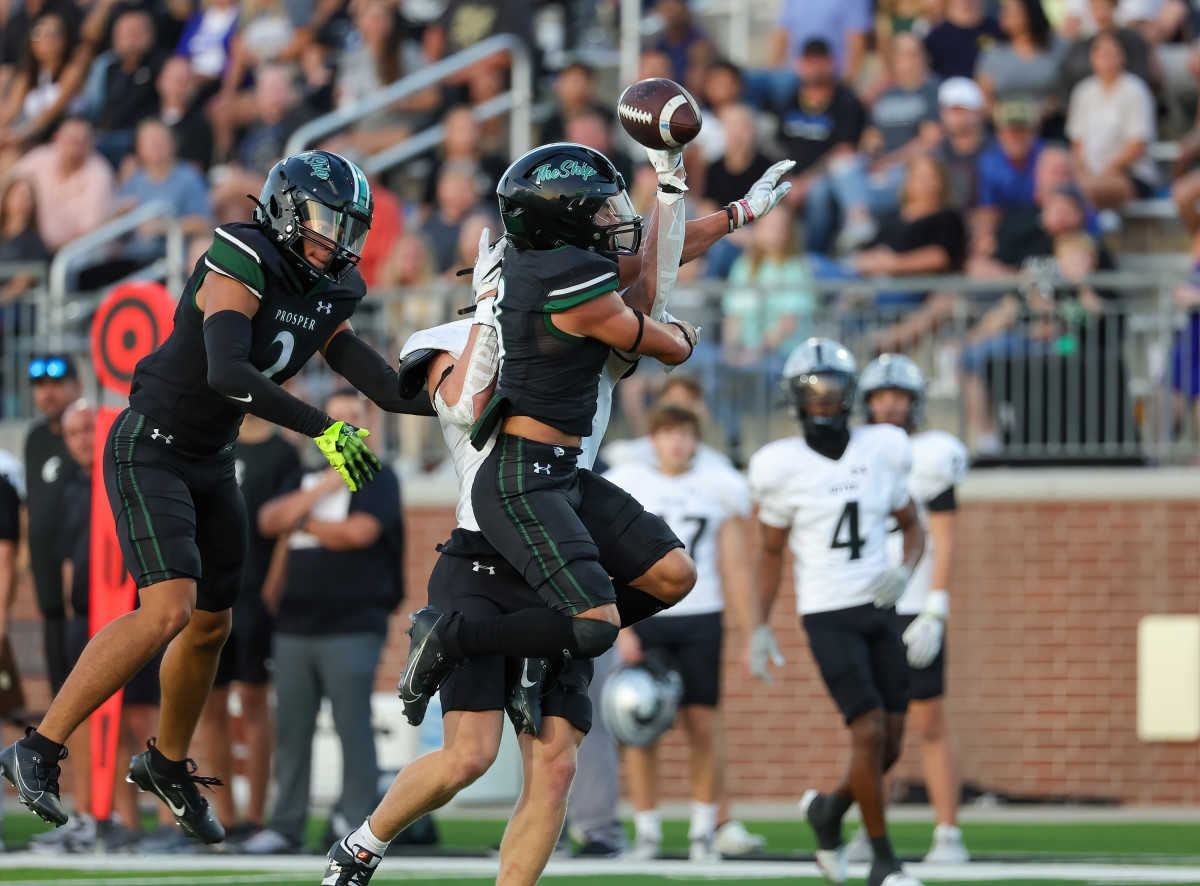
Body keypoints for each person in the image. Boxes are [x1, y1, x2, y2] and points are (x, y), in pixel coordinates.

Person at [325, 144, 797, 886]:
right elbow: (459, 402)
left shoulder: (581, 315)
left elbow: (650, 264)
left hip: (562, 517)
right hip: (486, 550)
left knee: (554, 767)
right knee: (468, 756)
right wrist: (467, 319)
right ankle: (360, 847)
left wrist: (733, 215)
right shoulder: (456, 339)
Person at [0, 149, 434, 842]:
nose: (339, 241)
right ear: (288, 211)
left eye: (350, 227)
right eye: (327, 222)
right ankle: (39, 747)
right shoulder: (242, 252)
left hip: (211, 459)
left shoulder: (330, 291)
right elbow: (229, 371)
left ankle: (167, 763)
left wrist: (473, 393)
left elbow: (385, 386)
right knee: (168, 608)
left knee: (211, 625)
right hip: (150, 444)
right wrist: (324, 430)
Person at [746, 337, 926, 886]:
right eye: (813, 393)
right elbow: (771, 551)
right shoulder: (781, 465)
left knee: (890, 742)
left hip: (880, 606)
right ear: (797, 399)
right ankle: (883, 862)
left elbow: (913, 524)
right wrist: (759, 624)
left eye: (832, 392)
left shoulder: (883, 447)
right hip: (827, 612)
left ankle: (828, 811)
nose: (824, 403)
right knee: (868, 730)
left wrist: (907, 566)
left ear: (850, 395)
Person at [249, 390, 403, 854]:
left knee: (351, 724)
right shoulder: (305, 476)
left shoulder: (377, 476)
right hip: (295, 624)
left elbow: (360, 533)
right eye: (335, 421)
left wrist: (304, 523)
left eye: (354, 419)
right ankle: (287, 824)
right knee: (292, 730)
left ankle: (355, 825)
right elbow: (267, 519)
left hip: (353, 622)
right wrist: (319, 491)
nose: (345, 429)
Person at [605, 404, 758, 861]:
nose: (677, 442)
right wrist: (619, 627)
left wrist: (752, 633)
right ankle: (648, 830)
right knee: (639, 726)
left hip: (701, 614)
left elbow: (734, 566)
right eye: (668, 432)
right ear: (652, 439)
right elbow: (609, 557)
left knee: (703, 724)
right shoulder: (630, 481)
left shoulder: (719, 485)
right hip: (644, 615)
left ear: (697, 438)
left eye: (685, 433)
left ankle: (702, 830)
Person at [851, 355, 970, 865]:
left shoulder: (932, 454)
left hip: (917, 603)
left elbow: (944, 541)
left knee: (930, 723)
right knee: (873, 724)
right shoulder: (854, 452)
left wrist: (937, 610)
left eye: (899, 395)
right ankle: (870, 830)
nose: (890, 404)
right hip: (871, 603)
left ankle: (948, 834)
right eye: (881, 395)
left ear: (915, 401)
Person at [194, 414, 300, 843]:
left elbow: (289, 526)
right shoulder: (211, 439)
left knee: (255, 701)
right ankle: (225, 814)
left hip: (255, 594)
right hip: (210, 592)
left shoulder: (281, 452)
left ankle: (256, 815)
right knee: (212, 706)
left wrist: (277, 579)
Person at [21, 355, 81, 699]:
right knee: (56, 674)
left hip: (81, 579)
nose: (47, 394)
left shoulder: (90, 435)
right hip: (46, 577)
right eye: (40, 387)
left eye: (57, 385)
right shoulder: (35, 438)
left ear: (77, 386)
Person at [1066, 30, 1159, 209]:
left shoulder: (1135, 90)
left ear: (1122, 56)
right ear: (1092, 57)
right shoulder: (1083, 91)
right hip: (1091, 174)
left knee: (1080, 192)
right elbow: (1077, 142)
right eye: (1101, 54)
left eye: (1112, 54)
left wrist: (1103, 173)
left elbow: (1137, 146)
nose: (1106, 60)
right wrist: (1082, 171)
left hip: (1131, 175)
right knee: (1060, 188)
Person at [10, 116, 115, 253]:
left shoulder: (99, 173)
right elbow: (8, 186)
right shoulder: (41, 158)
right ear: (57, 139)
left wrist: (47, 251)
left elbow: (90, 233)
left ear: (90, 144)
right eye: (70, 140)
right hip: (32, 249)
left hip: (76, 256)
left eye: (80, 142)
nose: (74, 147)